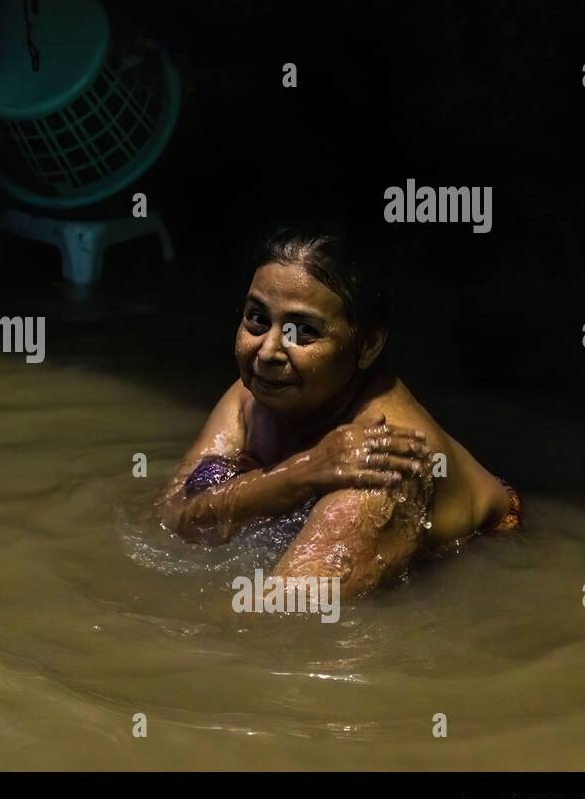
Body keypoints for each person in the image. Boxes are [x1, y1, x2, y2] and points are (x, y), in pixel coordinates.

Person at [155, 229, 520, 597]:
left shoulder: (385, 458)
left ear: (369, 345)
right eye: (257, 319)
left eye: (303, 331)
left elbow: (285, 614)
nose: (267, 352)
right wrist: (299, 475)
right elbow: (166, 518)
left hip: (490, 548)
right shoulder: (254, 394)